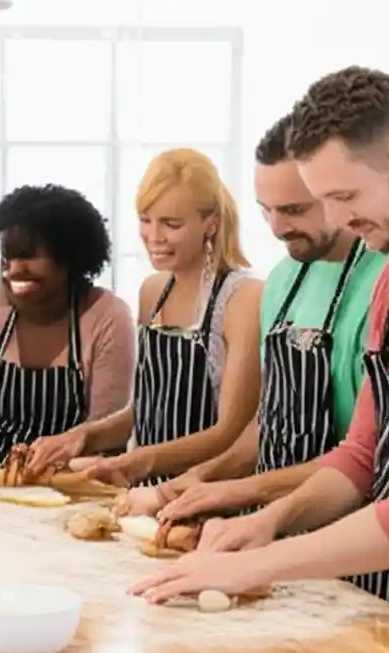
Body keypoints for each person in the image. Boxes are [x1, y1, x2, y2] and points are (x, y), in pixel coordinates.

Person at [131, 66, 389, 653]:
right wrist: (268, 521)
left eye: (344, 197)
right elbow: (364, 455)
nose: (336, 222)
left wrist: (254, 565)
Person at [126, 114, 387, 520]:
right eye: (267, 211)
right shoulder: (284, 279)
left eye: (295, 209)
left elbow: (363, 457)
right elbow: (265, 426)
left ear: (341, 193)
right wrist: (194, 481)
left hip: (346, 526)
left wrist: (234, 493)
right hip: (272, 524)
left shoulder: (388, 284)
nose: (278, 228)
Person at [30, 149, 263, 486]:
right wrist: (82, 437)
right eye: (145, 219)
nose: (154, 236)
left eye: (171, 224)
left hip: (207, 497)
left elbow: (230, 432)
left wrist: (136, 461)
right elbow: (147, 408)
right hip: (142, 491)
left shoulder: (243, 297)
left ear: (210, 223)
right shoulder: (153, 291)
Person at [0, 184, 136, 468]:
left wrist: (56, 465)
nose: (13, 270)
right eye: (5, 259)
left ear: (69, 259)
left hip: (65, 476)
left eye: (28, 257)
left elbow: (104, 430)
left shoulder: (108, 316)